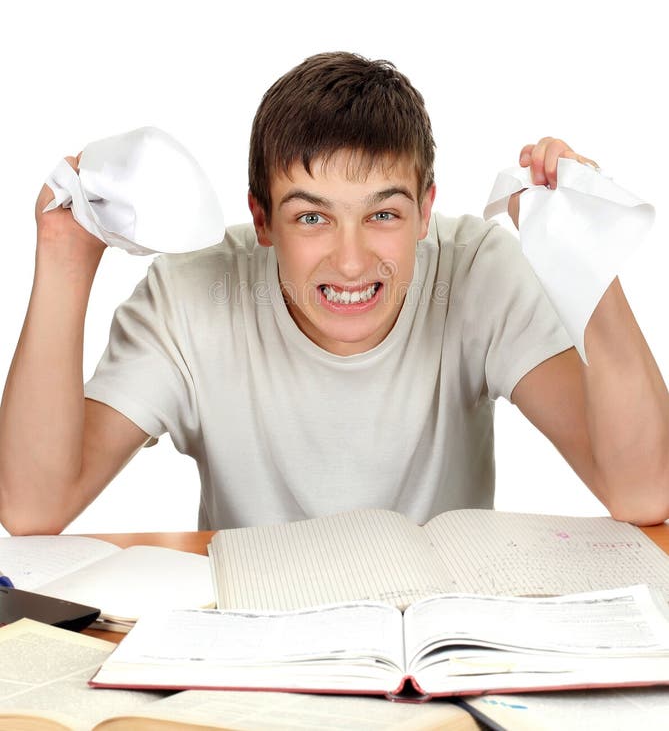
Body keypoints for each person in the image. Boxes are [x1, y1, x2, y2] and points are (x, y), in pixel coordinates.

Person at [0, 52, 667, 535]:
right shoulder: (191, 292)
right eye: (311, 217)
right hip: (255, 662)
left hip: (436, 663)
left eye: (382, 214)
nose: (350, 263)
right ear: (261, 220)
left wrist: (586, 253)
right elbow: (33, 508)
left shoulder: (472, 271)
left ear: (425, 211)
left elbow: (643, 489)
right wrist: (64, 254)